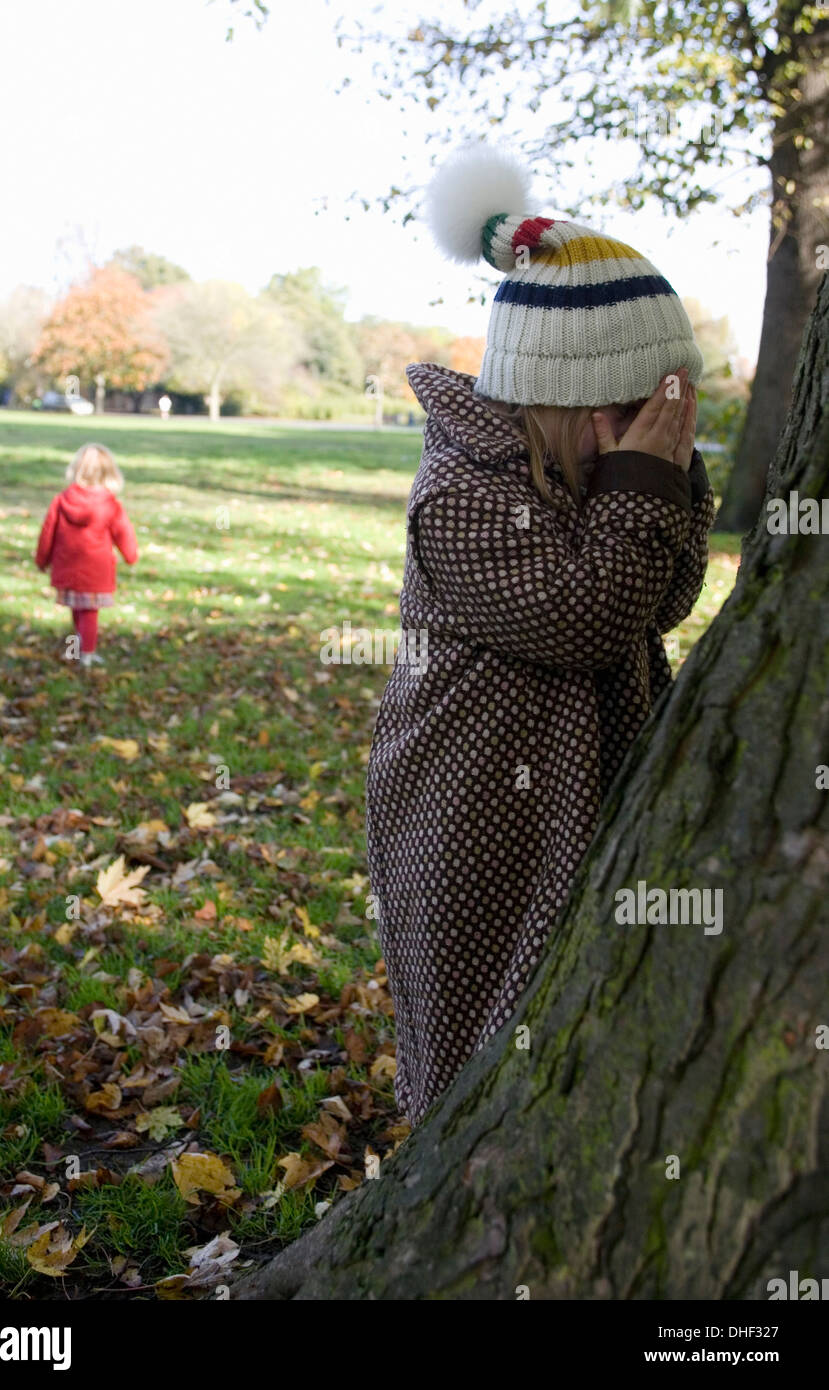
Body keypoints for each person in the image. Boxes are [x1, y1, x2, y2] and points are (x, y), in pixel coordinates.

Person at [366, 146, 714, 1128]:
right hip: (466, 818)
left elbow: (666, 594)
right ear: (566, 400)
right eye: (645, 412)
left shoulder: (598, 480)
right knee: (476, 1043)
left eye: (673, 415)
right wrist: (640, 486)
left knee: (576, 1021)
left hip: (583, 792)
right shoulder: (460, 497)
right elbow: (586, 617)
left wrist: (661, 480)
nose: (660, 434)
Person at [35, 442, 138, 668]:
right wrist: (131, 555)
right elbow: (124, 532)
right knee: (89, 614)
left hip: (68, 567)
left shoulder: (62, 500)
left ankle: (78, 650)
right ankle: (87, 655)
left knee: (78, 611)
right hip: (95, 571)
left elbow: (47, 533)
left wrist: (42, 559)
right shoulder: (110, 504)